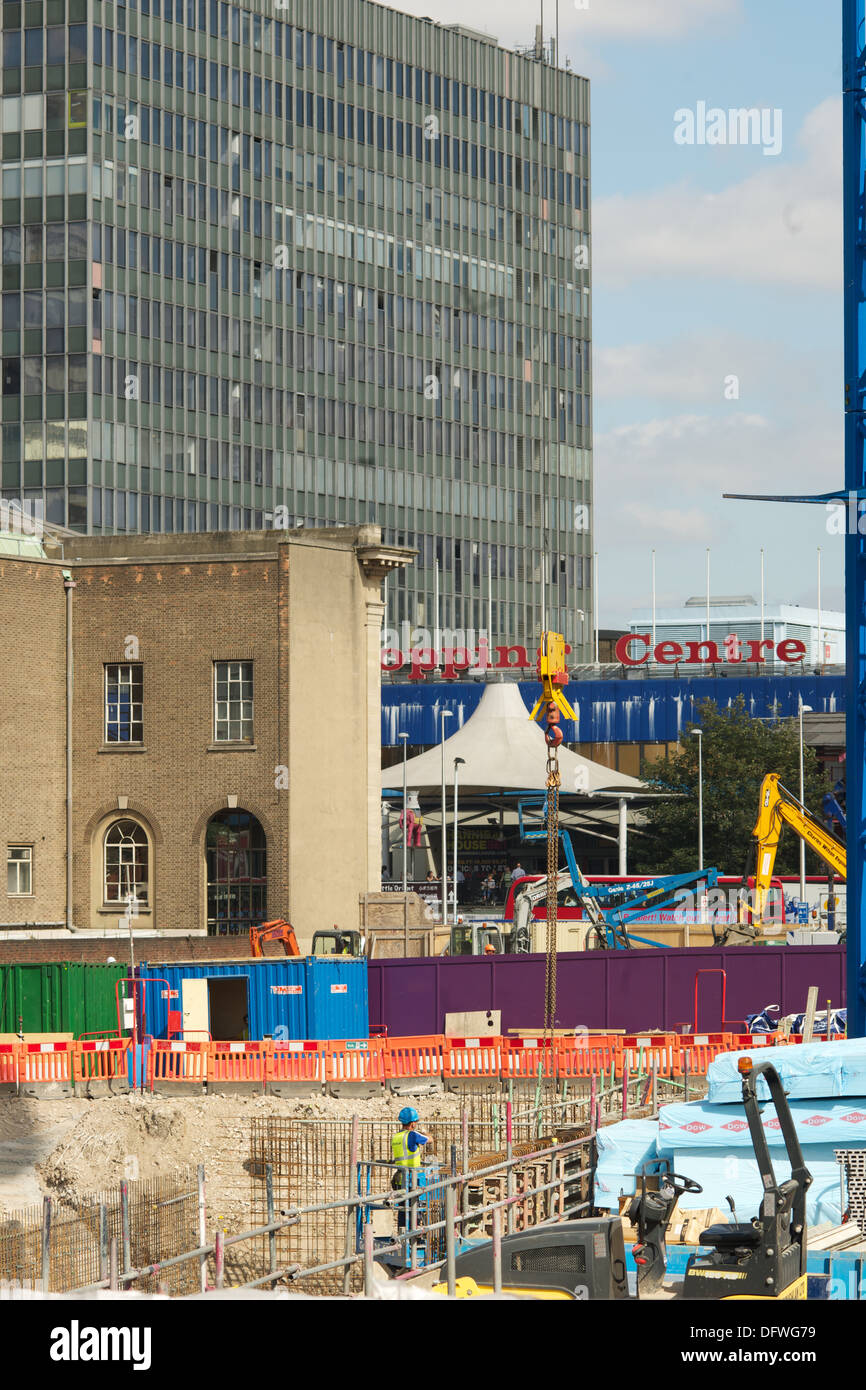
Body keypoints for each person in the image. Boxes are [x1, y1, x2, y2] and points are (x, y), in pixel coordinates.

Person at [391, 1107, 433, 1226]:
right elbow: (430, 1140)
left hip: (399, 1178)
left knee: (403, 1209)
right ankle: (413, 1234)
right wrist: (424, 1132)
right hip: (411, 1179)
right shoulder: (413, 1135)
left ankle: (403, 1232)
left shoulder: (396, 1136)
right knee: (413, 1209)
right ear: (413, 1123)